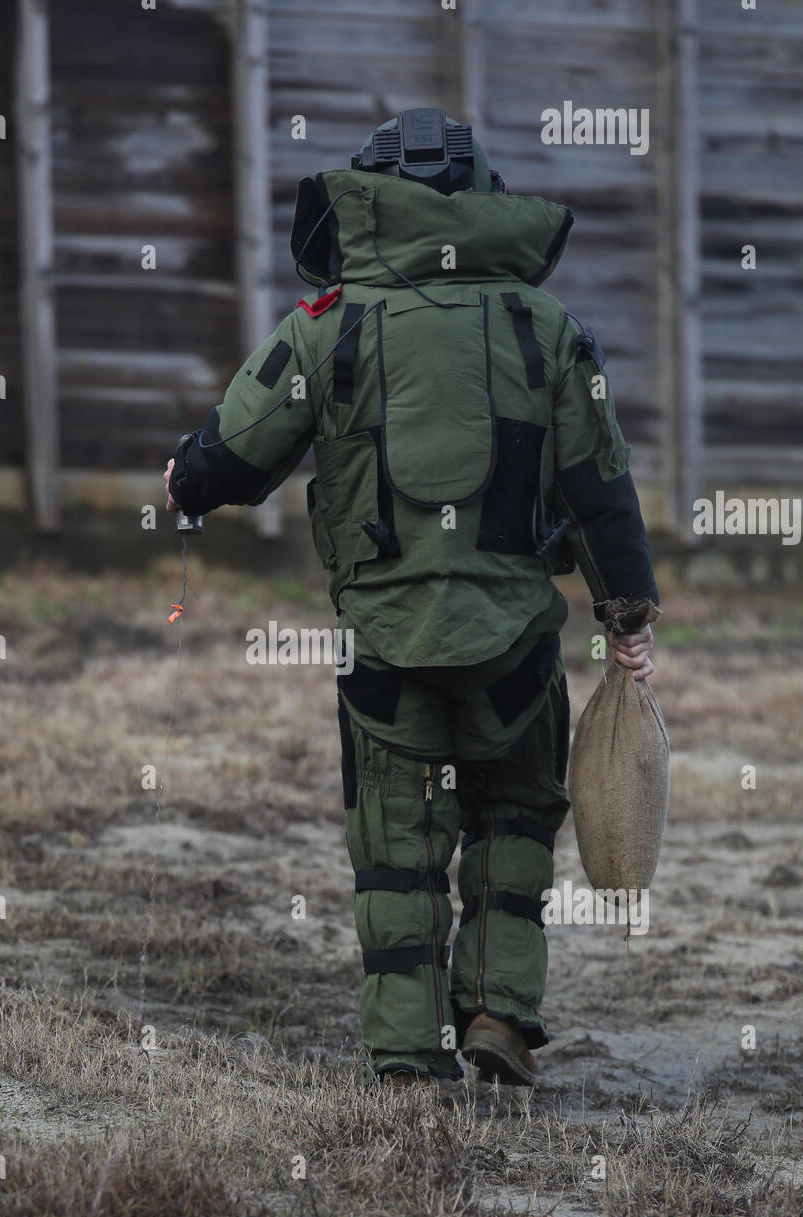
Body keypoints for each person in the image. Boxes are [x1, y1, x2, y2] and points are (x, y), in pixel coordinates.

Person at [164, 109, 658, 1088]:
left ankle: (402, 1056)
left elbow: (232, 454)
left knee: (396, 850)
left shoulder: (327, 327)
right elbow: (599, 491)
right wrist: (627, 616)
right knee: (513, 824)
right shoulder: (547, 328)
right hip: (514, 649)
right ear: (485, 195)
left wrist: (183, 481)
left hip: (382, 652)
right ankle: (499, 1016)